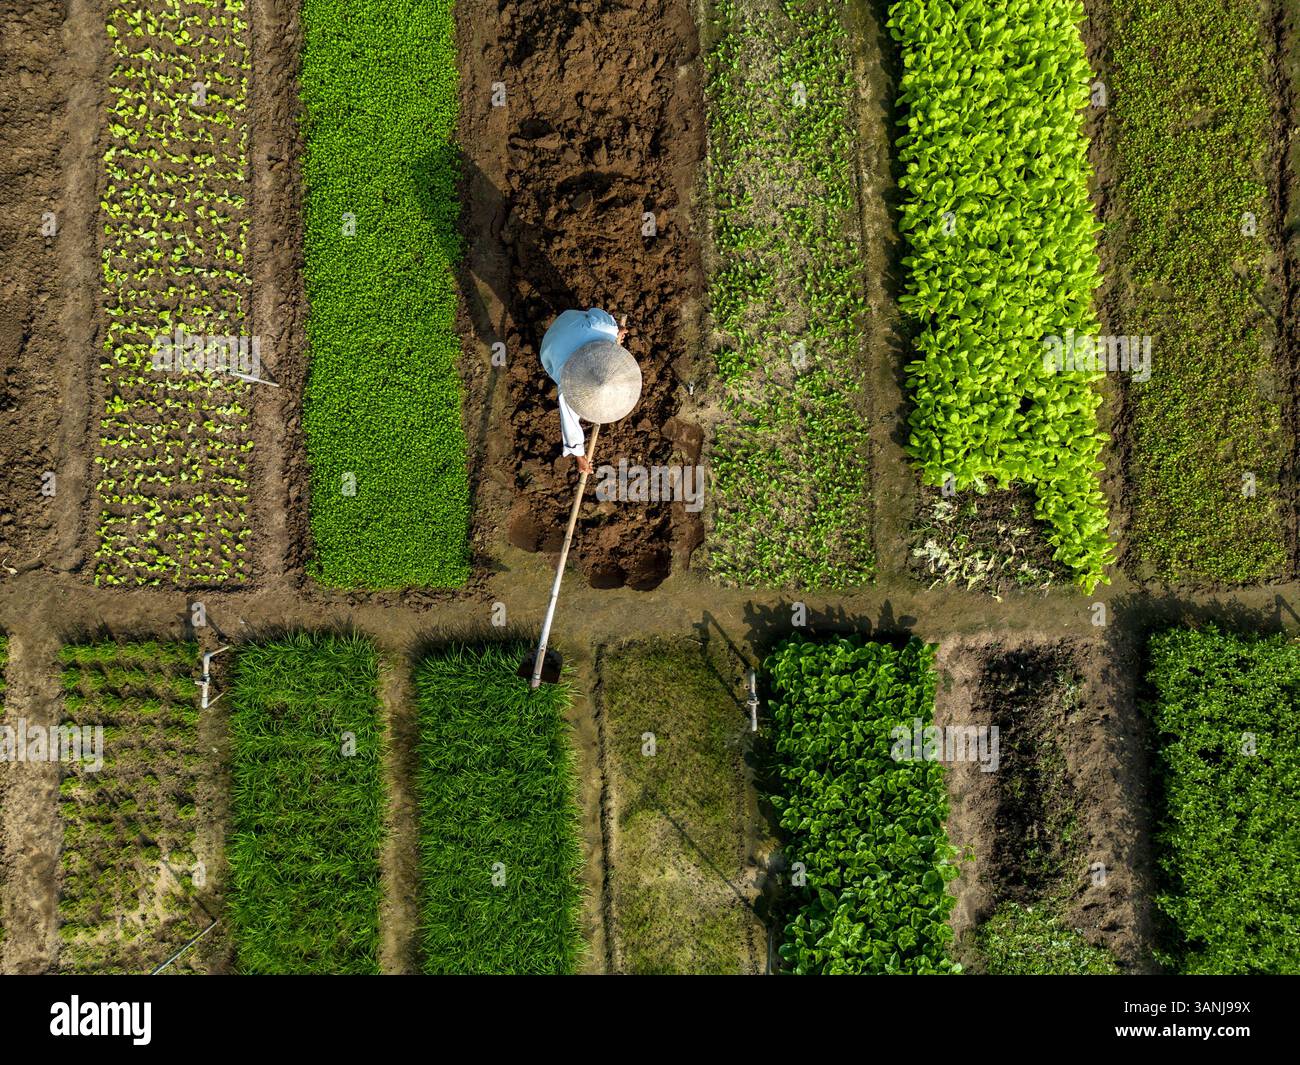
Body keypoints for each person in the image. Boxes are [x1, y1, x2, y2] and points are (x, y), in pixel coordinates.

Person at [539, 307, 628, 473]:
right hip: (549, 350)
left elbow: (594, 312)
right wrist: (580, 456)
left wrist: (617, 330)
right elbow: (569, 423)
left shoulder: (607, 328)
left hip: (565, 320)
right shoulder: (569, 385)